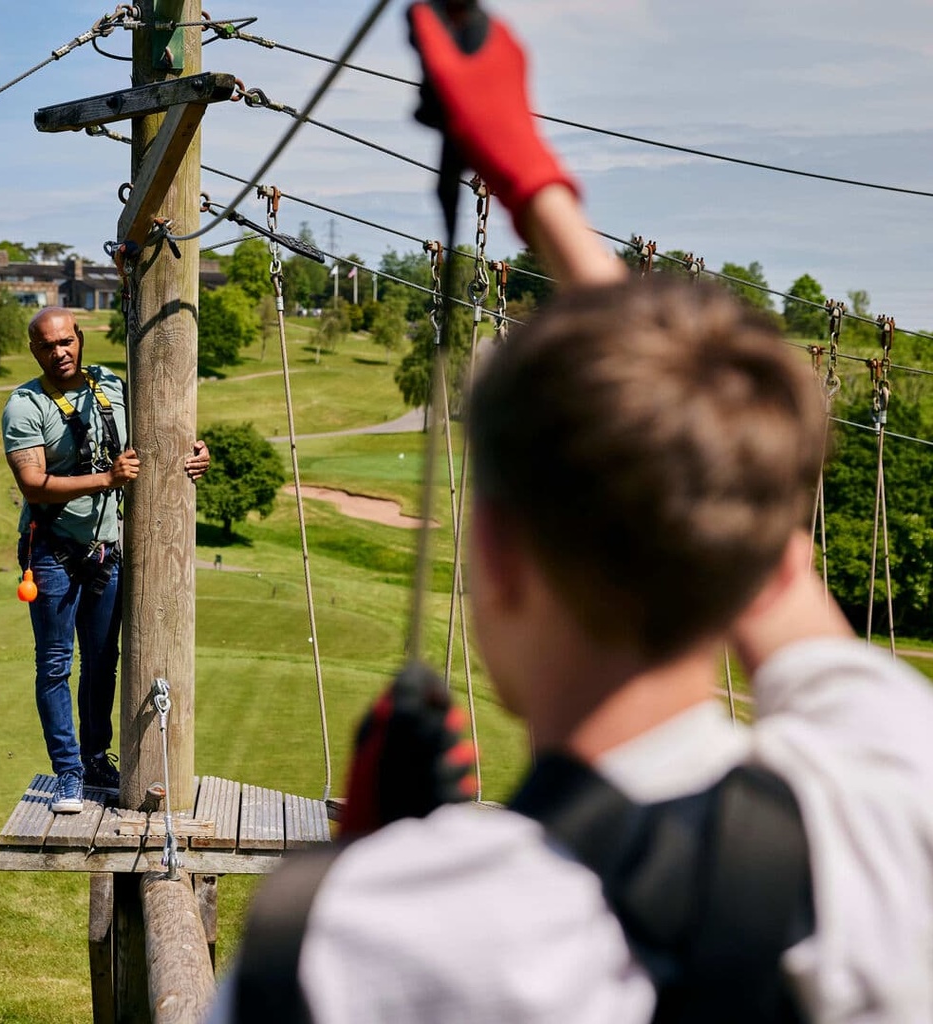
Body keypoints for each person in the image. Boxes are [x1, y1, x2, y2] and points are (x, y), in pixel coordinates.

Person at [210, 6, 933, 1022]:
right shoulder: (892, 795)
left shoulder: (350, 952)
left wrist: (362, 864)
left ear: (496, 553)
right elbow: (729, 491)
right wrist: (535, 180)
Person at [3, 306, 210, 814]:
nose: (60, 352)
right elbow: (33, 484)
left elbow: (157, 434)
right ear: (35, 350)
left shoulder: (110, 387)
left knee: (102, 661)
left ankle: (96, 758)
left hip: (104, 550)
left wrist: (195, 451)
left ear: (81, 339)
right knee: (55, 664)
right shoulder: (25, 406)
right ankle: (69, 774)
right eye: (48, 346)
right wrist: (107, 480)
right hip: (51, 551)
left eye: (66, 341)